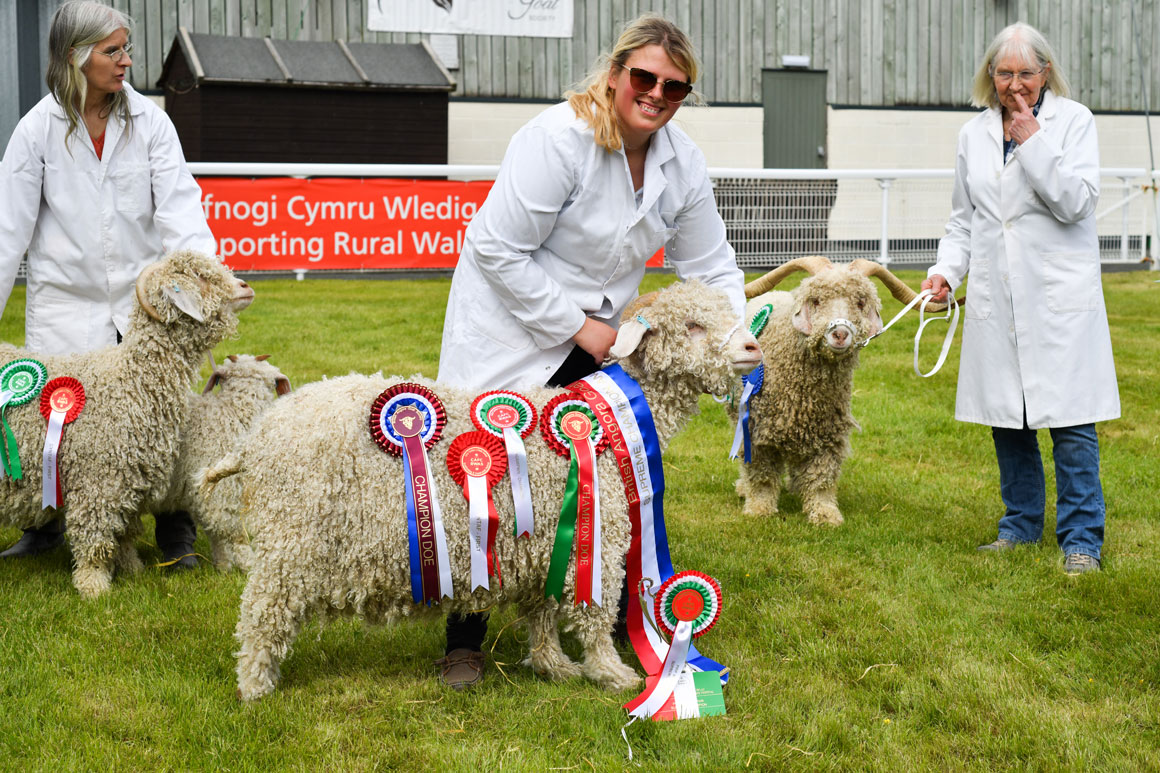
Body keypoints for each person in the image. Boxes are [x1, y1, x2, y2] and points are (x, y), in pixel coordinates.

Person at [435, 13, 745, 689]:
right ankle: (464, 637)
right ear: (614, 73)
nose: (657, 94)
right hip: (509, 331)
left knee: (579, 486)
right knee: (486, 478)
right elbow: (494, 248)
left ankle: (573, 623)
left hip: (597, 341)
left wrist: (735, 337)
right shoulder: (558, 140)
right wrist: (581, 327)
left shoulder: (683, 163)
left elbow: (711, 265)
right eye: (644, 77)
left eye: (675, 86)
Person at [0, 1, 214, 567]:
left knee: (164, 414)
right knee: (55, 422)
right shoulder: (35, 131)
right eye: (112, 51)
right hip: (64, 308)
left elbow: (182, 213)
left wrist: (203, 288)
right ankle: (43, 528)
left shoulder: (152, 123)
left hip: (143, 311)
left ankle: (175, 532)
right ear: (75, 57)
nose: (126, 62)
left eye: (127, 49)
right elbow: (5, 233)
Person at [922, 22, 1118, 575]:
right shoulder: (972, 134)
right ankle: (1020, 525)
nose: (1014, 85)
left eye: (1025, 73)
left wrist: (1033, 140)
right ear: (990, 74)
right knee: (1009, 420)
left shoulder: (1073, 122)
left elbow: (1075, 202)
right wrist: (945, 272)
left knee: (1072, 422)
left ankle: (1082, 540)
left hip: (1059, 299)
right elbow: (964, 221)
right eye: (1004, 73)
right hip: (997, 297)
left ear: (1045, 73)